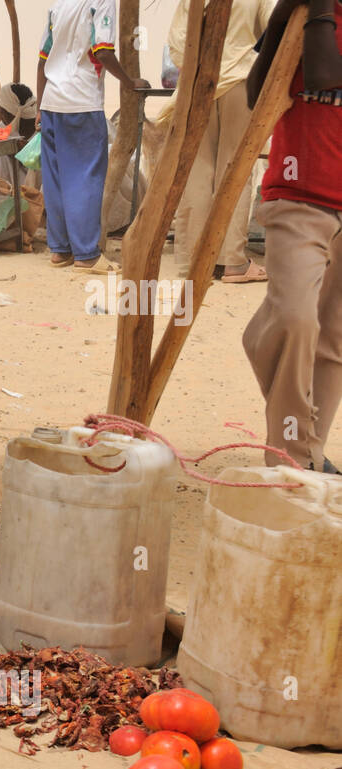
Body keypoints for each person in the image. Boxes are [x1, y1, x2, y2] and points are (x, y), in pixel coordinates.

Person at [242, 0, 342, 473]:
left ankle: (310, 452)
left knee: (334, 337)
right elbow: (256, 95)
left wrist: (319, 9)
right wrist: (283, 17)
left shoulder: (319, 15)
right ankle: (293, 455)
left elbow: (324, 74)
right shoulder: (302, 18)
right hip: (296, 196)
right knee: (298, 321)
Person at [167, 0, 275, 282]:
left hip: (196, 84)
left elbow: (178, 43)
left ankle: (193, 261)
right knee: (235, 170)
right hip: (240, 81)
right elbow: (276, 26)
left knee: (196, 174)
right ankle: (232, 263)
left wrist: (200, 67)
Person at [37, 0, 148, 272]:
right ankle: (86, 255)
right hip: (82, 101)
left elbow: (43, 57)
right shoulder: (102, 3)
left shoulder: (58, 5)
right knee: (85, 178)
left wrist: (40, 105)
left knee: (56, 179)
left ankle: (60, 250)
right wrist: (129, 81)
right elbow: (103, 52)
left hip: (52, 102)